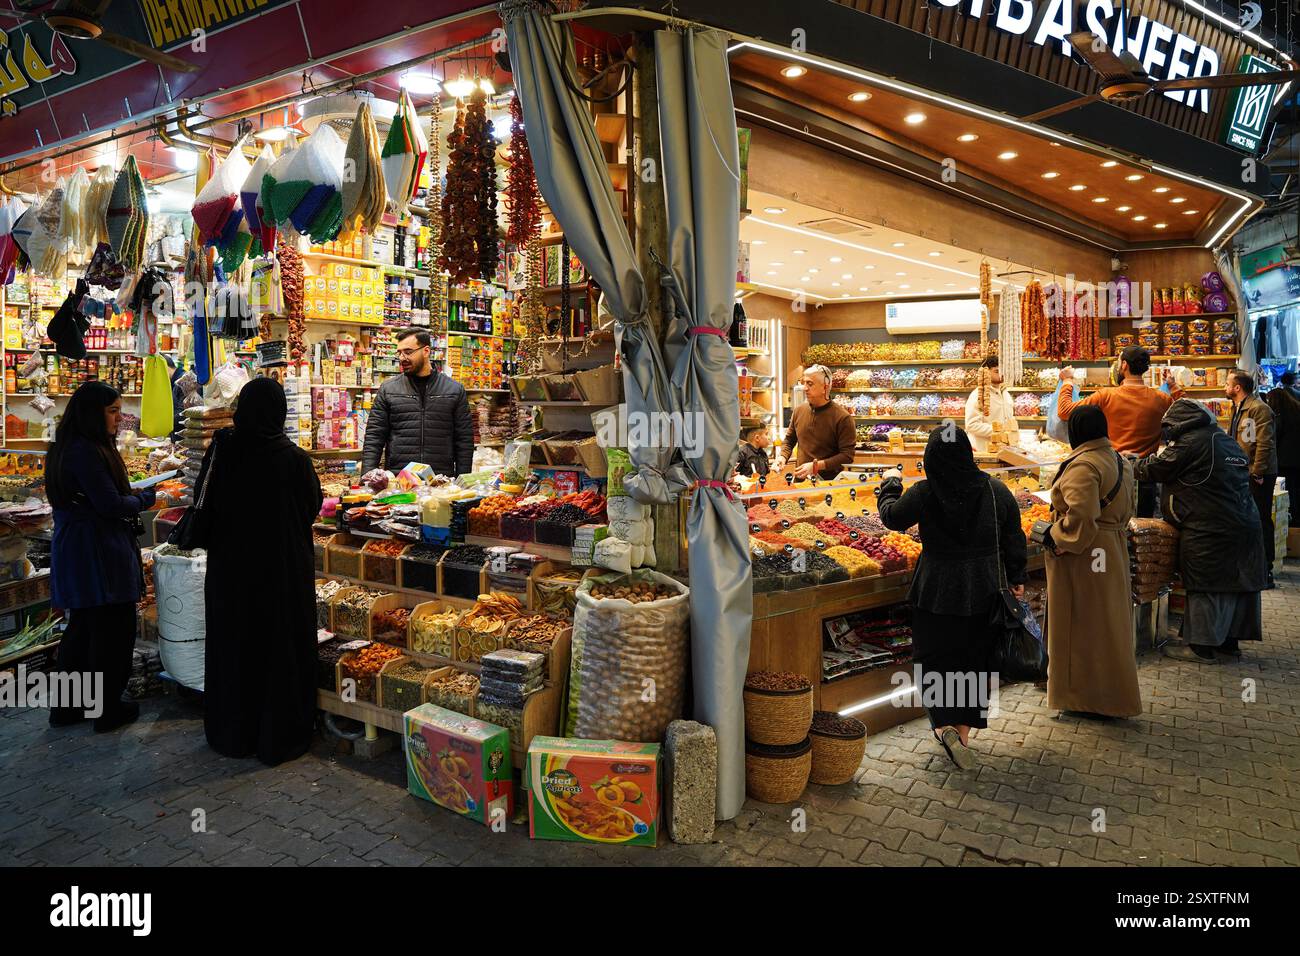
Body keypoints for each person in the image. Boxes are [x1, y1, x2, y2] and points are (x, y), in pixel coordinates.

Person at [876, 428, 1026, 770]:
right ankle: (962, 732)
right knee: (974, 660)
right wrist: (1016, 578)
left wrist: (889, 485)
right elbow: (1013, 535)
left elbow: (892, 518)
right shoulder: (995, 489)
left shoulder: (926, 491)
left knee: (935, 658)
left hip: (937, 589)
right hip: (985, 588)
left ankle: (943, 725)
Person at [193, 377, 323, 764]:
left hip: (230, 572)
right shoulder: (294, 459)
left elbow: (204, 501)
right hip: (279, 574)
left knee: (234, 647)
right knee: (277, 648)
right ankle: (276, 737)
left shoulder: (222, 449)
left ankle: (233, 733)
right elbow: (310, 509)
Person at [47, 382, 154, 732]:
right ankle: (107, 710)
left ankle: (67, 708)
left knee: (82, 628)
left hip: (79, 546)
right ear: (93, 414)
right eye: (112, 411)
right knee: (112, 630)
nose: (118, 418)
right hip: (98, 551)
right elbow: (109, 505)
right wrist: (145, 500)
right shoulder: (87, 451)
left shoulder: (65, 447)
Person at [1134, 400, 1267, 663]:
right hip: (1244, 524)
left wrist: (1126, 463)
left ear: (1181, 422)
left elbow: (1154, 469)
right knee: (1236, 584)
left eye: (1169, 427)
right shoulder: (1222, 439)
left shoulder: (1193, 442)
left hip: (1210, 528)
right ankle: (1228, 644)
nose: (1168, 433)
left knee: (1205, 583)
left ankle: (1200, 647)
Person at [1039, 406, 1140, 719]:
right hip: (1111, 549)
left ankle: (1084, 697)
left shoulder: (1084, 464)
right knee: (1108, 623)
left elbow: (1081, 518)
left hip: (1084, 556)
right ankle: (1110, 695)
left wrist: (1052, 535)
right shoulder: (1119, 460)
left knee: (1082, 623)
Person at [1057, 346, 1181, 518]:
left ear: (1123, 365)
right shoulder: (1162, 399)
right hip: (1146, 477)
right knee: (1143, 533)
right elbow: (1190, 409)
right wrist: (1174, 386)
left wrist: (1067, 382)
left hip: (1112, 476)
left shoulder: (1106, 396)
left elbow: (1064, 411)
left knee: (1114, 526)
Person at [361, 328, 473, 478]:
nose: (402, 358)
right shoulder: (388, 389)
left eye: (408, 352)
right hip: (399, 480)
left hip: (440, 481)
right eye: (399, 352)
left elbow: (464, 440)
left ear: (426, 351)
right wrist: (368, 478)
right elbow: (374, 437)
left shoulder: (454, 390)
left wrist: (463, 481)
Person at [1226, 370, 1278, 586]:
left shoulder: (1259, 409)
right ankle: (1249, 565)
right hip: (1242, 471)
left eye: (1228, 383)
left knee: (1261, 518)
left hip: (1258, 474)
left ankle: (1266, 569)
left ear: (1238, 387)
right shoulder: (1237, 408)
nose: (1225, 387)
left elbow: (1265, 443)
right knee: (1246, 517)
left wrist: (1258, 471)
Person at [773, 365, 856, 480]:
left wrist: (816, 466)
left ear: (825, 387)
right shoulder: (799, 411)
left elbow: (847, 456)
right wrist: (782, 457)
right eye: (804, 383)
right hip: (800, 482)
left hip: (829, 484)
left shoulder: (842, 417)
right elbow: (789, 440)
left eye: (810, 384)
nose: (805, 388)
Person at [1265, 371, 1300, 525]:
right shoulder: (1296, 410)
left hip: (1285, 460)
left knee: (1288, 492)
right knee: (1296, 490)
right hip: (1296, 459)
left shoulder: (1279, 415)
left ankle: (1291, 521)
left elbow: (1274, 436)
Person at [964, 354, 1017, 453]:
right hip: (983, 451)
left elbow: (1010, 419)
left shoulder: (1006, 393)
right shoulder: (977, 395)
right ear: (986, 373)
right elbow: (971, 425)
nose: (1001, 374)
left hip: (1003, 450)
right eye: (996, 371)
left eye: (1003, 371)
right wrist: (998, 432)